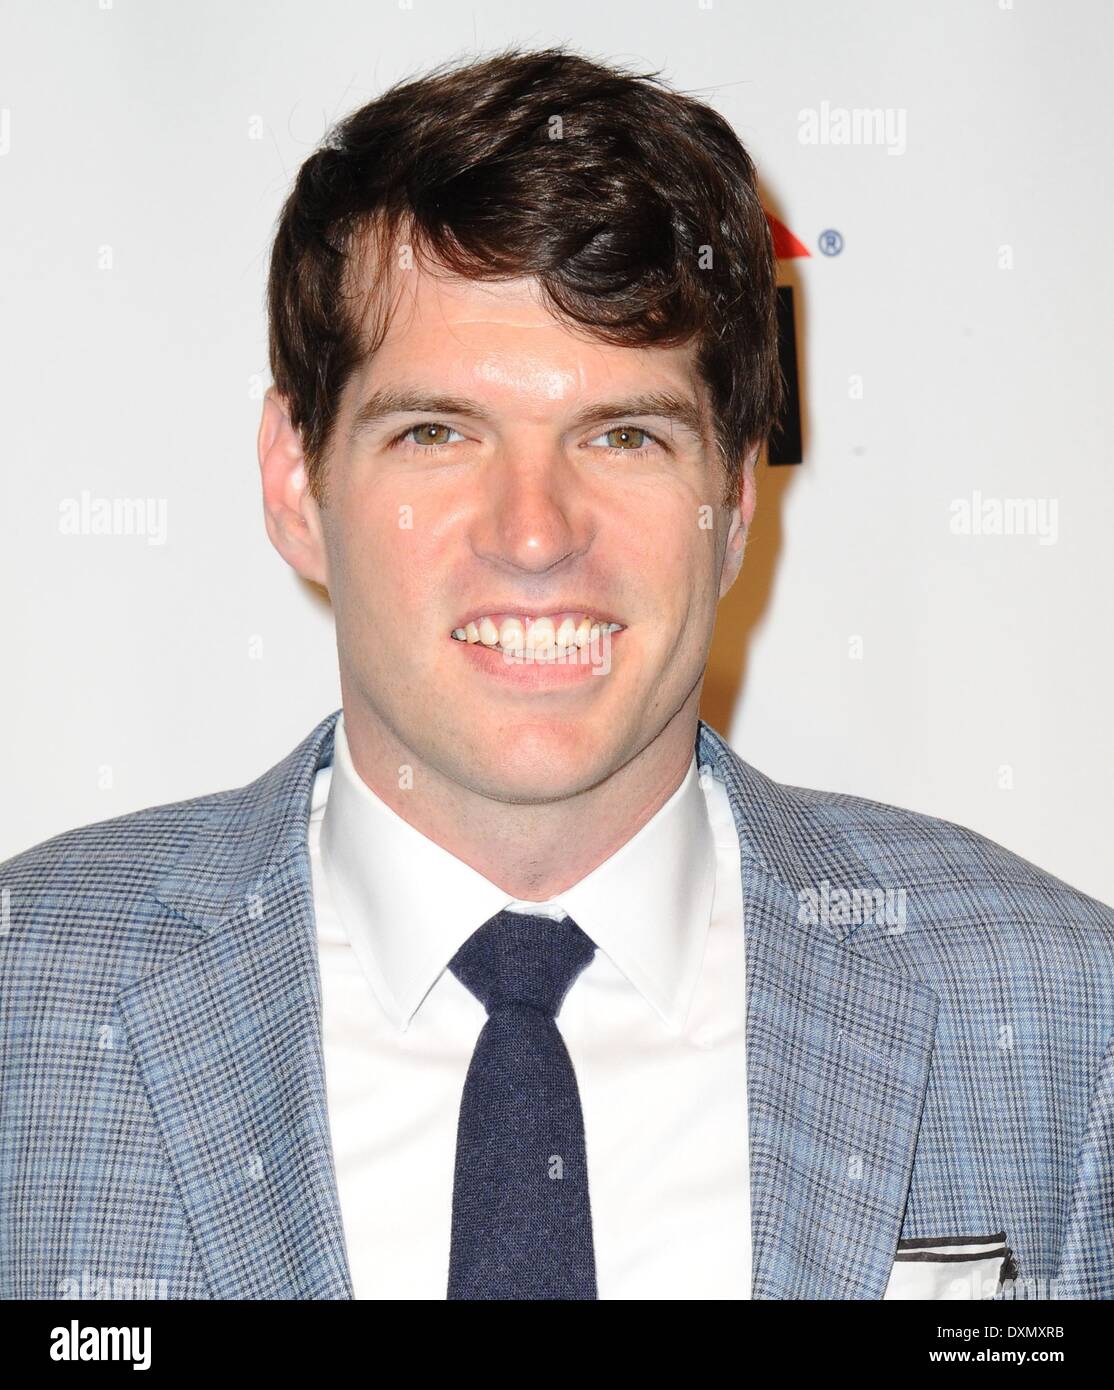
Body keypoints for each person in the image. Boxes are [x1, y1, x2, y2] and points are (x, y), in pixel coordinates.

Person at [1, 46, 1110, 1302]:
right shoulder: (25, 999)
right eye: (436, 433)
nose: (534, 533)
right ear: (293, 483)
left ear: (734, 498)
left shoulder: (1061, 1014)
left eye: (624, 434)